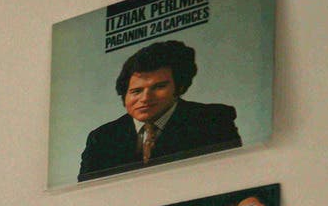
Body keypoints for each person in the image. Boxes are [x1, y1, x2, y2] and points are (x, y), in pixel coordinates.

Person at [76, 40, 241, 182]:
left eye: (159, 87)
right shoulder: (101, 138)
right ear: (124, 95)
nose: (146, 98)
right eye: (136, 91)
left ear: (179, 87)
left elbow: (232, 178)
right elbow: (86, 196)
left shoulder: (213, 120)